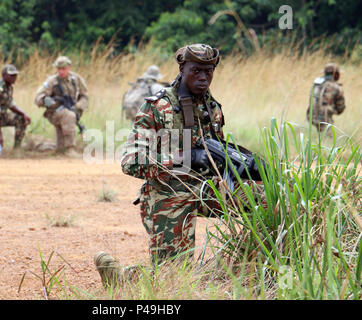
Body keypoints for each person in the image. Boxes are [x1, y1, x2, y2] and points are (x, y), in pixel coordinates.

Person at [94, 44, 265, 287]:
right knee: (172, 281)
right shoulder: (157, 107)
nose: (204, 77)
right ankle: (122, 279)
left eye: (208, 71)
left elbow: (217, 152)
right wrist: (184, 159)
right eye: (196, 70)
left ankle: (240, 271)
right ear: (182, 68)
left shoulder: (212, 108)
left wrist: (244, 168)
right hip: (167, 194)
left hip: (207, 188)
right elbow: (131, 162)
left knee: (269, 199)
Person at [34, 56, 88, 157]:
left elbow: (85, 97)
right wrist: (46, 100)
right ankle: (70, 149)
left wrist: (78, 106)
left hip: (72, 109)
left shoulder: (76, 80)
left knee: (69, 117)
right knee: (68, 116)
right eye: (59, 69)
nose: (61, 71)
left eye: (64, 69)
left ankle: (59, 149)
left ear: (69, 68)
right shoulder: (52, 81)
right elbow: (38, 98)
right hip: (54, 112)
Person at [307, 63, 345, 135]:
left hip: (311, 115)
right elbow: (340, 106)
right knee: (327, 139)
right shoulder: (336, 87)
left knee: (318, 135)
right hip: (325, 117)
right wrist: (334, 111)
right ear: (335, 74)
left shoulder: (316, 84)